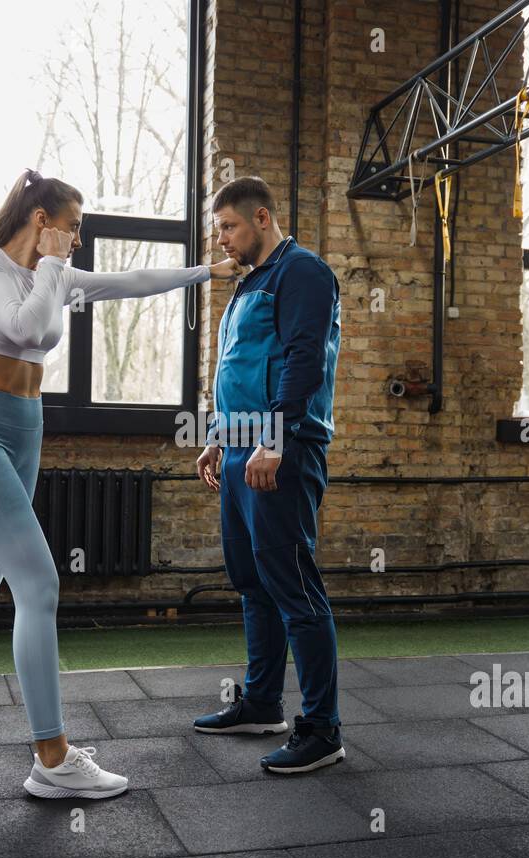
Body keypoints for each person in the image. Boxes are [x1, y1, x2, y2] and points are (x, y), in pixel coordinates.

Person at [0, 168, 241, 799]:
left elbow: (127, 283)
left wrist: (204, 274)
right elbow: (28, 329)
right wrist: (56, 268)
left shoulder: (48, 273)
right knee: (39, 583)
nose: (78, 239)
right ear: (41, 220)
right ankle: (52, 758)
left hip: (24, 434)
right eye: (73, 226)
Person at [192, 176, 344, 773]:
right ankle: (259, 702)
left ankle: (323, 729)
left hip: (282, 449)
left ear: (261, 217)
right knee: (251, 580)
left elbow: (304, 361)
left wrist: (271, 440)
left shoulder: (303, 272)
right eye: (218, 228)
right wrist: (216, 437)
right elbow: (238, 366)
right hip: (238, 450)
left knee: (294, 586)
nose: (222, 238)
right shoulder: (248, 283)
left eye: (229, 226)